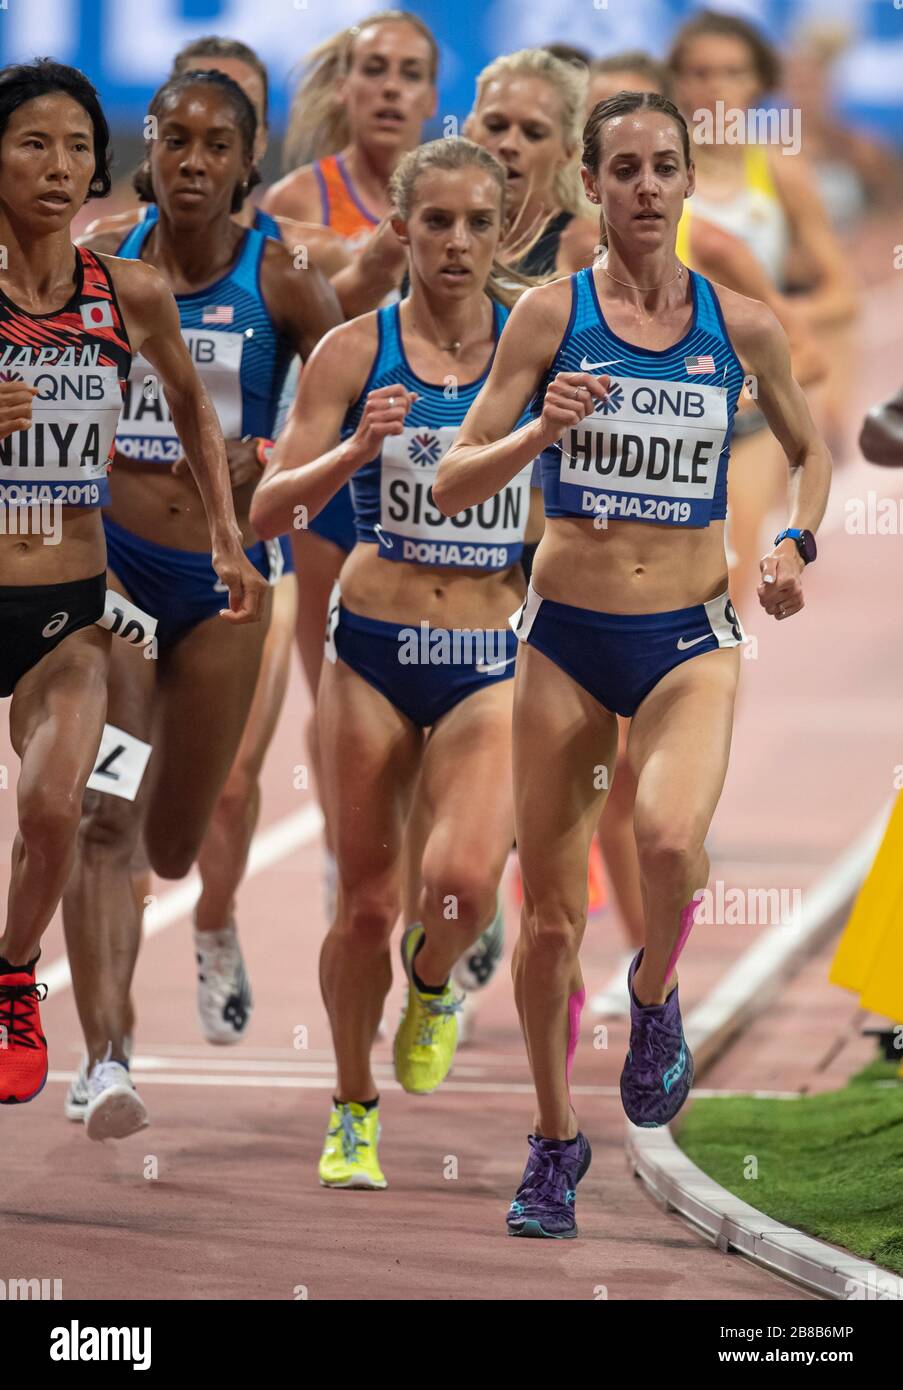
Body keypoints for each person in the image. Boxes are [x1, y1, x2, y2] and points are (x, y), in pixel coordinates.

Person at [435, 91, 831, 1238]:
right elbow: (460, 479)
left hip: (688, 639)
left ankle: (655, 993)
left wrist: (796, 541)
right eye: (624, 169)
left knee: (667, 842)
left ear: (690, 180)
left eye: (665, 166)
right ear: (594, 189)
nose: (646, 187)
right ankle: (555, 1140)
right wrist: (536, 434)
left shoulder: (743, 325)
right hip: (563, 638)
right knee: (551, 920)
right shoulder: (549, 320)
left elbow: (813, 457)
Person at [61, 69, 340, 1139]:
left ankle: (181, 917)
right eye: (174, 139)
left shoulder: (284, 283)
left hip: (225, 591)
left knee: (176, 843)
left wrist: (287, 452)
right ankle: (106, 1059)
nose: (191, 160)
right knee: (105, 812)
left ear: (246, 161)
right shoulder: (102, 263)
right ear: (148, 148)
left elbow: (356, 391)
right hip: (115, 571)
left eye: (216, 145)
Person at [251, 137, 535, 1189]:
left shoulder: (534, 344)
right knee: (365, 902)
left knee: (458, 885)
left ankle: (432, 983)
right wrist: (353, 451)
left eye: (476, 223)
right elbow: (267, 509)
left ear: (502, 231)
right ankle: (352, 1106)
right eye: (436, 222)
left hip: (486, 655)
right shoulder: (352, 353)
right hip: (369, 650)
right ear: (401, 228)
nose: (456, 243)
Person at [0, 59, 264, 1106]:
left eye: (76, 149)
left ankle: (13, 976)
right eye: (32, 145)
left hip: (68, 604)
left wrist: (229, 537)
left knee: (60, 809)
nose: (59, 168)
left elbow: (197, 410)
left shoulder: (130, 292)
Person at [264, 11, 439, 915]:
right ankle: (351, 862)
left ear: (432, 97)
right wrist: (391, 243)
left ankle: (454, 883)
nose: (391, 88)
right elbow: (329, 303)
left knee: (461, 695)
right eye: (375, 69)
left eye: (411, 73)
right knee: (339, 694)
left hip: (453, 475)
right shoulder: (298, 200)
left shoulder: (465, 192)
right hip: (339, 476)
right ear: (346, 87)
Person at [668, 8, 854, 604]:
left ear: (758, 83)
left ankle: (711, 690)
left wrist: (770, 326)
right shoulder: (655, 169)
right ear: (674, 83)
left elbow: (843, 293)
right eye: (698, 72)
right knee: (645, 580)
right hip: (660, 392)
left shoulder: (778, 173)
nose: (714, 87)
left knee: (728, 580)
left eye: (731, 72)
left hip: (748, 405)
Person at [464, 48, 598, 277]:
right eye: (496, 126)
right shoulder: (429, 232)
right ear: (469, 131)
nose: (509, 144)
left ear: (567, 151)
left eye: (533, 133)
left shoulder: (586, 250)